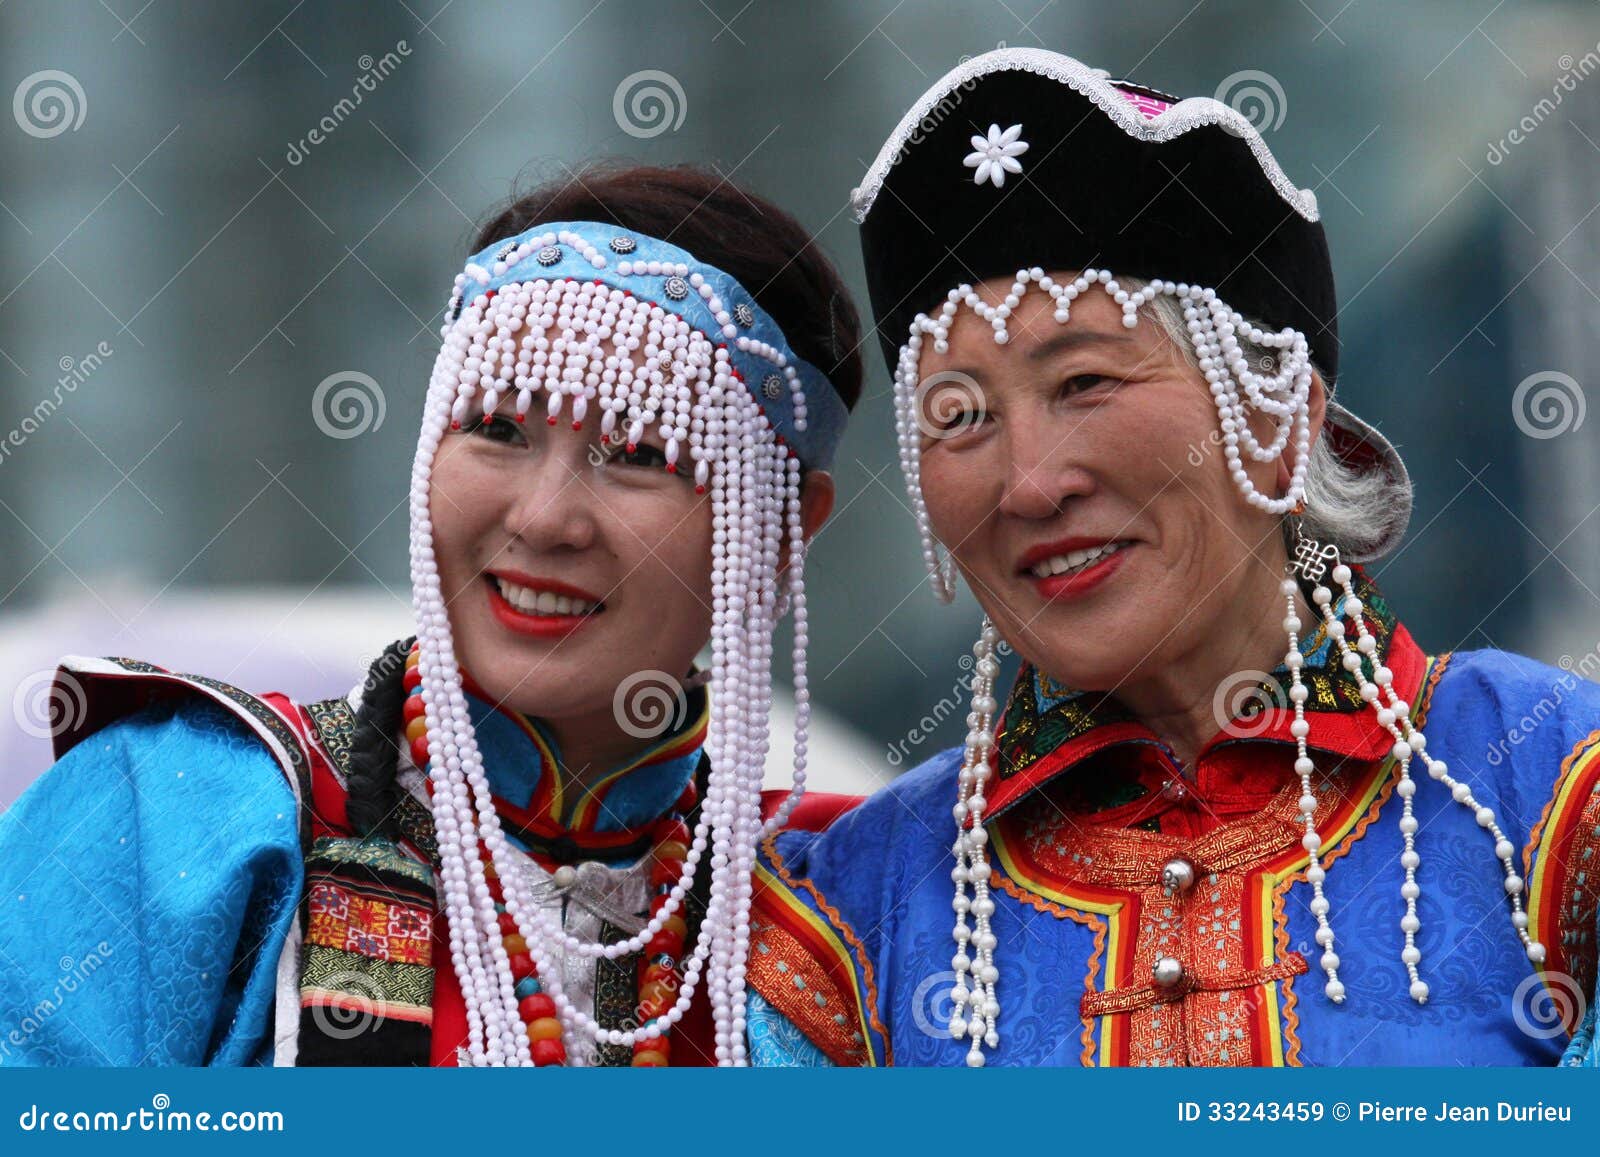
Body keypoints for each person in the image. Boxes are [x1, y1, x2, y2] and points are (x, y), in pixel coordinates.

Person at [746, 48, 1600, 1067]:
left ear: (1282, 413)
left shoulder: (1552, 790)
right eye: (958, 417)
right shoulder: (851, 917)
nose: (1029, 484)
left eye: (1085, 383)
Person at [0, 163, 863, 1067]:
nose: (542, 518)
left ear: (779, 530)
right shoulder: (184, 812)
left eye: (638, 453)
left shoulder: (845, 909)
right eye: (496, 430)